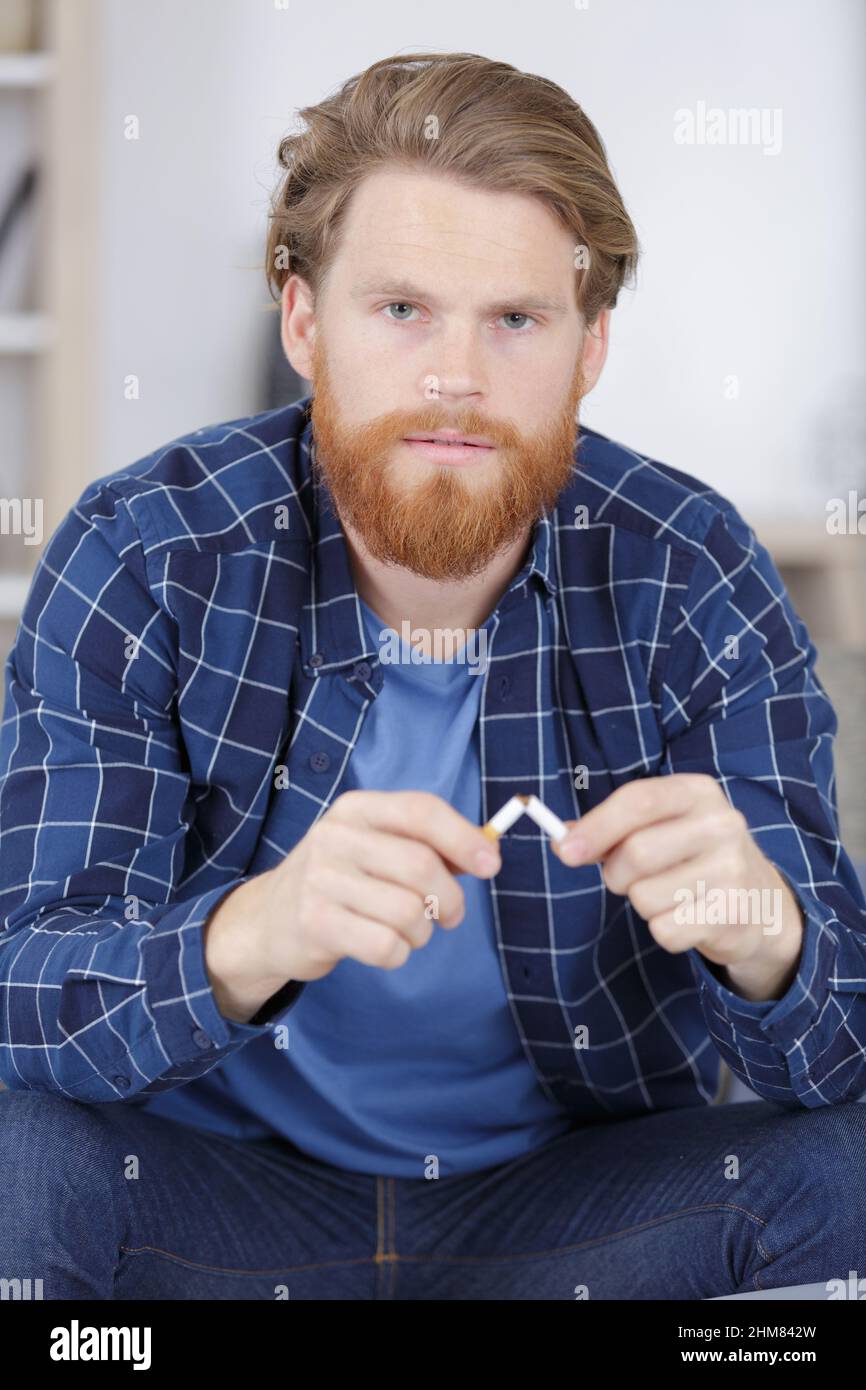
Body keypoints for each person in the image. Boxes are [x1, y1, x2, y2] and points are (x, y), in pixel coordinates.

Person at [1, 50, 865, 1303]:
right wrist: (258, 930)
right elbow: (27, 990)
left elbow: (839, 1042)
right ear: (303, 321)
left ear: (588, 347)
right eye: (400, 310)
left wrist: (768, 935)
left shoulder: (692, 568)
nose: (454, 377)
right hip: (215, 1199)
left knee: (841, 1168)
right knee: (18, 1164)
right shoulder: (145, 551)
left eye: (514, 320)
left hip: (572, 1208)